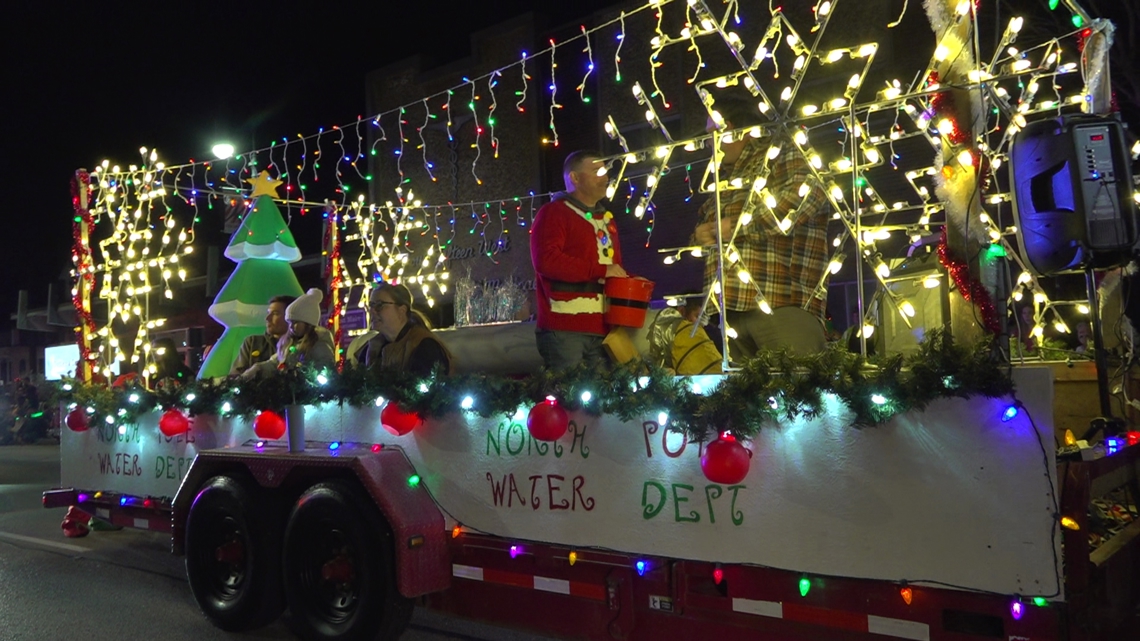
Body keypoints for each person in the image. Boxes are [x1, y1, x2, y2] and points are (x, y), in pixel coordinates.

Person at [692, 96, 831, 359]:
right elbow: (708, 224)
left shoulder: (781, 152)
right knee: (747, 386)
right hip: (731, 311)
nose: (708, 144)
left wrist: (736, 226)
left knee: (796, 381)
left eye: (711, 134)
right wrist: (701, 235)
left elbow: (805, 197)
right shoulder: (724, 179)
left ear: (729, 128)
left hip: (783, 303)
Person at [531, 150, 628, 370]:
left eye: (605, 172)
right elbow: (547, 261)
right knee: (570, 390)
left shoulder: (607, 220)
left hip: (603, 328)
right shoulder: (554, 213)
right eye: (597, 171)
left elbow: (614, 268)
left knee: (603, 390)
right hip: (564, 328)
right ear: (574, 177)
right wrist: (601, 270)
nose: (605, 177)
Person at [366, 283, 453, 377]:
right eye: (371, 305)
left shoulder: (424, 346)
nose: (372, 311)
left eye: (379, 305)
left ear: (402, 311)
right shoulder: (372, 347)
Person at [646, 299, 723, 375]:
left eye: (702, 318)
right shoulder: (673, 330)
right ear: (682, 311)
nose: (700, 323)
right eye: (697, 316)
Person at [229, 294, 296, 375]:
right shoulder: (253, 342)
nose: (267, 318)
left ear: (290, 317)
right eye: (268, 313)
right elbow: (235, 375)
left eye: (275, 314)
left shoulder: (301, 345)